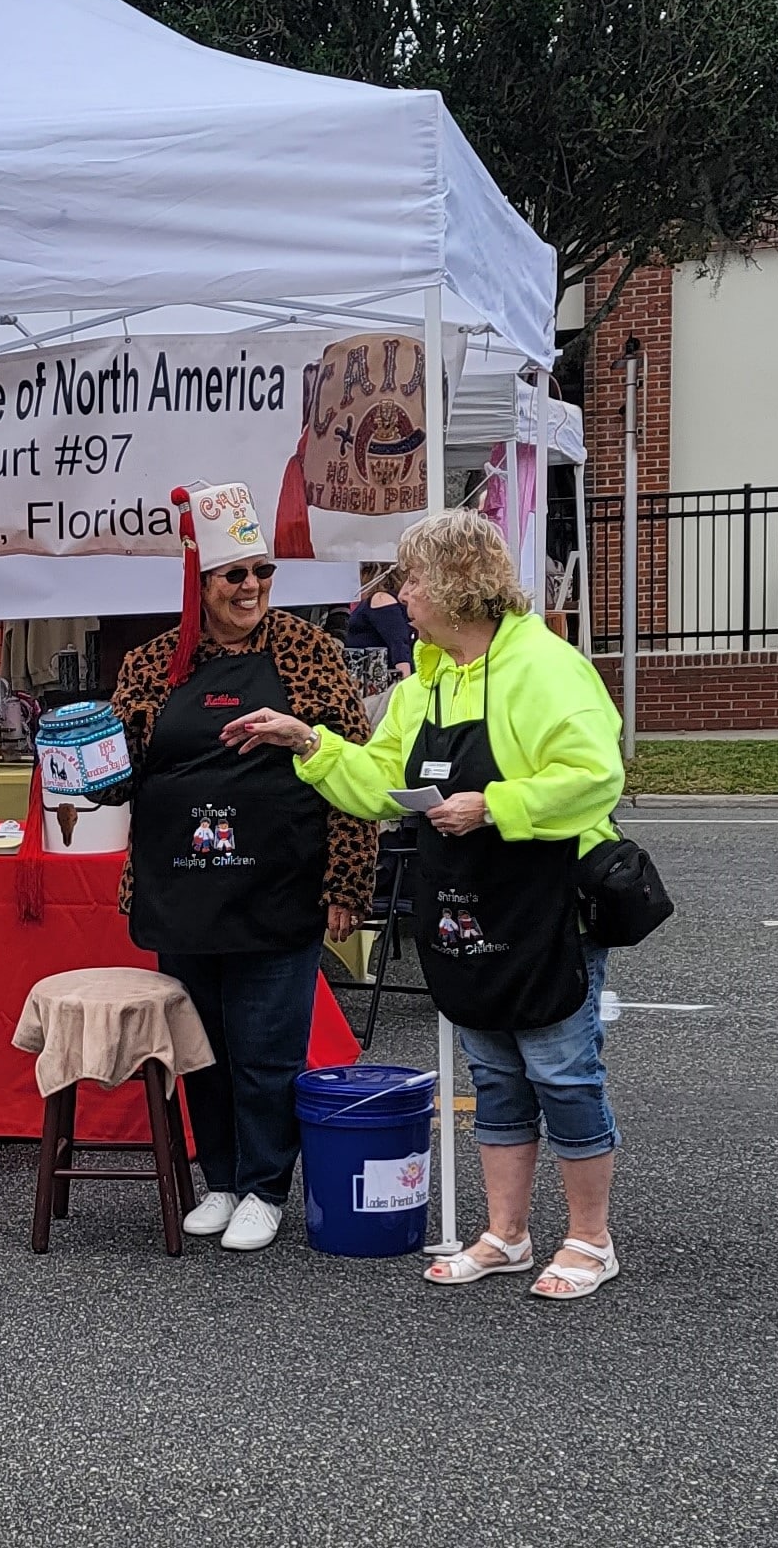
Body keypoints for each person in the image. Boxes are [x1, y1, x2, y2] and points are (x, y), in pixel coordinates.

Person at [234, 508, 627, 1299]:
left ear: (457, 582)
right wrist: (310, 743)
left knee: (562, 1069)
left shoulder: (545, 667)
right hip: (469, 902)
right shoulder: (424, 684)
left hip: (548, 900)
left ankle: (591, 1237)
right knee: (493, 1069)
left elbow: (595, 775)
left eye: (412, 578)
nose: (398, 595)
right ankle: (507, 1234)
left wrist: (495, 805)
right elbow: (379, 786)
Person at [101, 481, 377, 1252]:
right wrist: (77, 768)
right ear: (201, 584)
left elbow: (354, 771)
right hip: (180, 888)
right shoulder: (154, 663)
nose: (252, 587)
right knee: (203, 1048)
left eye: (262, 573)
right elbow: (120, 770)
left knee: (266, 1047)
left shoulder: (308, 653)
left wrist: (348, 883)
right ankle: (219, 1179)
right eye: (235, 575)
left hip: (277, 884)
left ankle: (264, 1185)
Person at [348, 563, 414, 681]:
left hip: (377, 677)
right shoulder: (380, 600)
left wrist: (405, 681)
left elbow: (398, 643)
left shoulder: (381, 599)